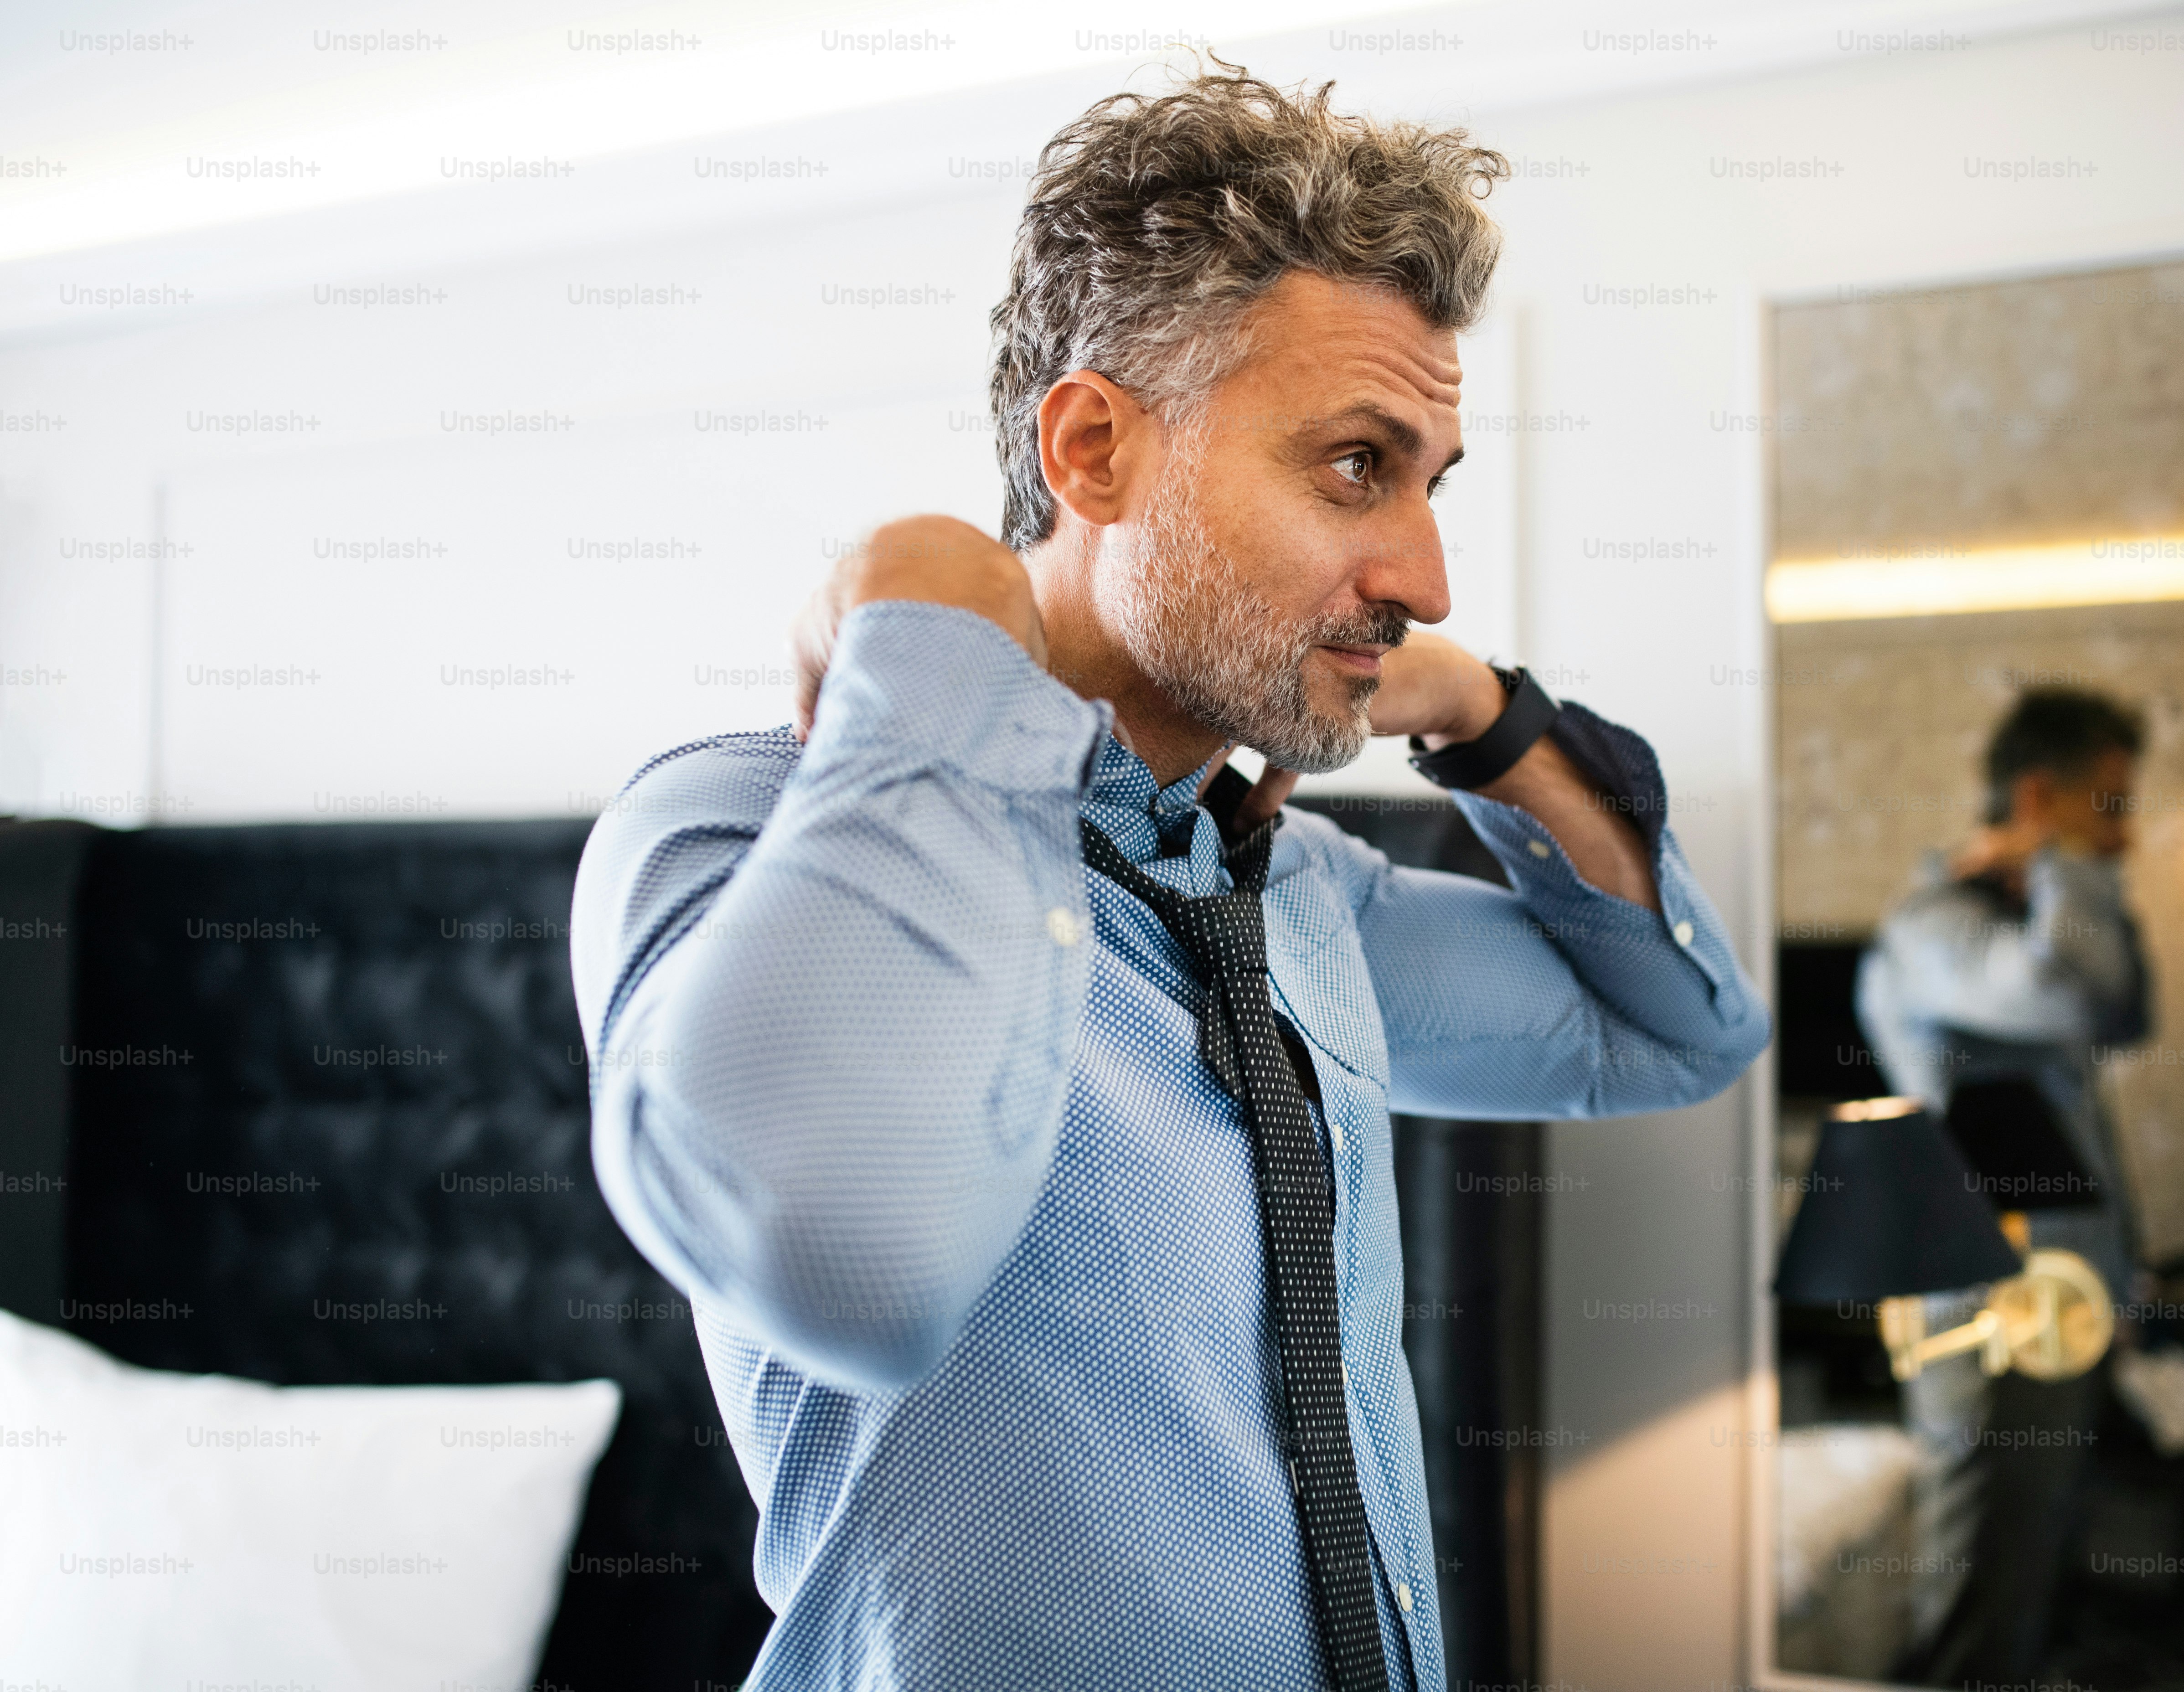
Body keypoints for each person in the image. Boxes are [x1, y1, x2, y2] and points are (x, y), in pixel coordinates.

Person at [568, 66, 1768, 1692]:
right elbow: (849, 1256)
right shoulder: (731, 833)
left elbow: (1677, 1031)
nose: (1420, 576)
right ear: (1091, 446)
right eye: (1354, 465)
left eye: (1430, 482)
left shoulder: (1302, 893)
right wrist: (935, 607)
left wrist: (1491, 722)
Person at [1854, 686, 2154, 1683]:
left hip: (2060, 1295)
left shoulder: (2038, 909)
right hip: (1992, 1306)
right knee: (1982, 1587)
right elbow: (2065, 994)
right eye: (2111, 806)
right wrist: (2065, 865)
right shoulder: (1936, 922)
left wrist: (2064, 872)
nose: (2131, 837)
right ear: (2039, 793)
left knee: (2035, 1568)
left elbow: (2126, 1012)